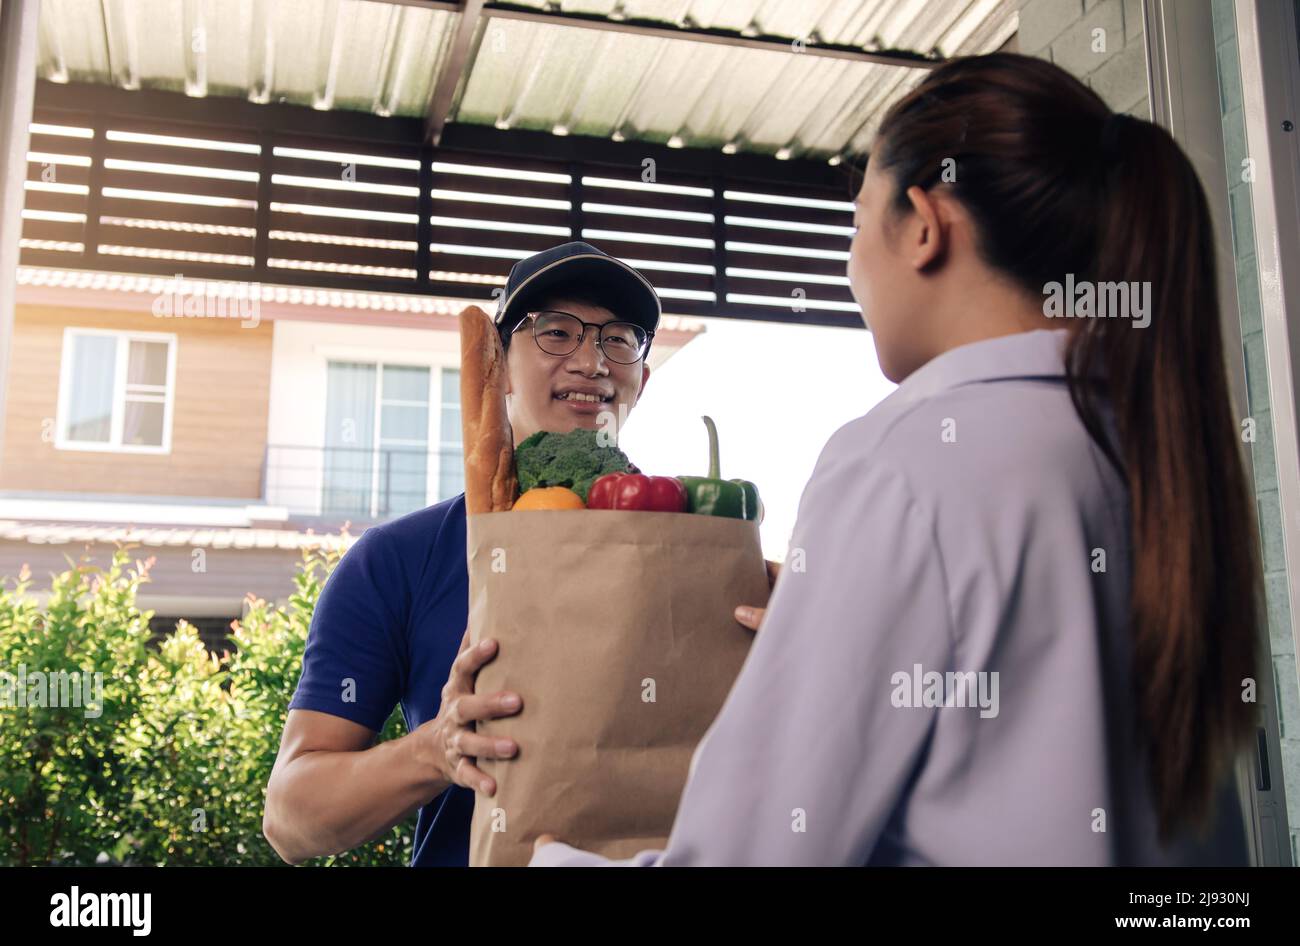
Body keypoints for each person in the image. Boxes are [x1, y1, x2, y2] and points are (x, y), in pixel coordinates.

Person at [532, 53, 1261, 866]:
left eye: (856, 222)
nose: (850, 265)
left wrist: (543, 856)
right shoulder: (1153, 443)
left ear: (923, 224)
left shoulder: (900, 463)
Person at [262, 241, 661, 866]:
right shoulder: (397, 560)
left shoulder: (692, 545)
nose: (591, 361)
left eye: (619, 339)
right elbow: (291, 818)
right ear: (497, 365)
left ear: (643, 373)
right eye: (556, 333)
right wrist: (435, 750)